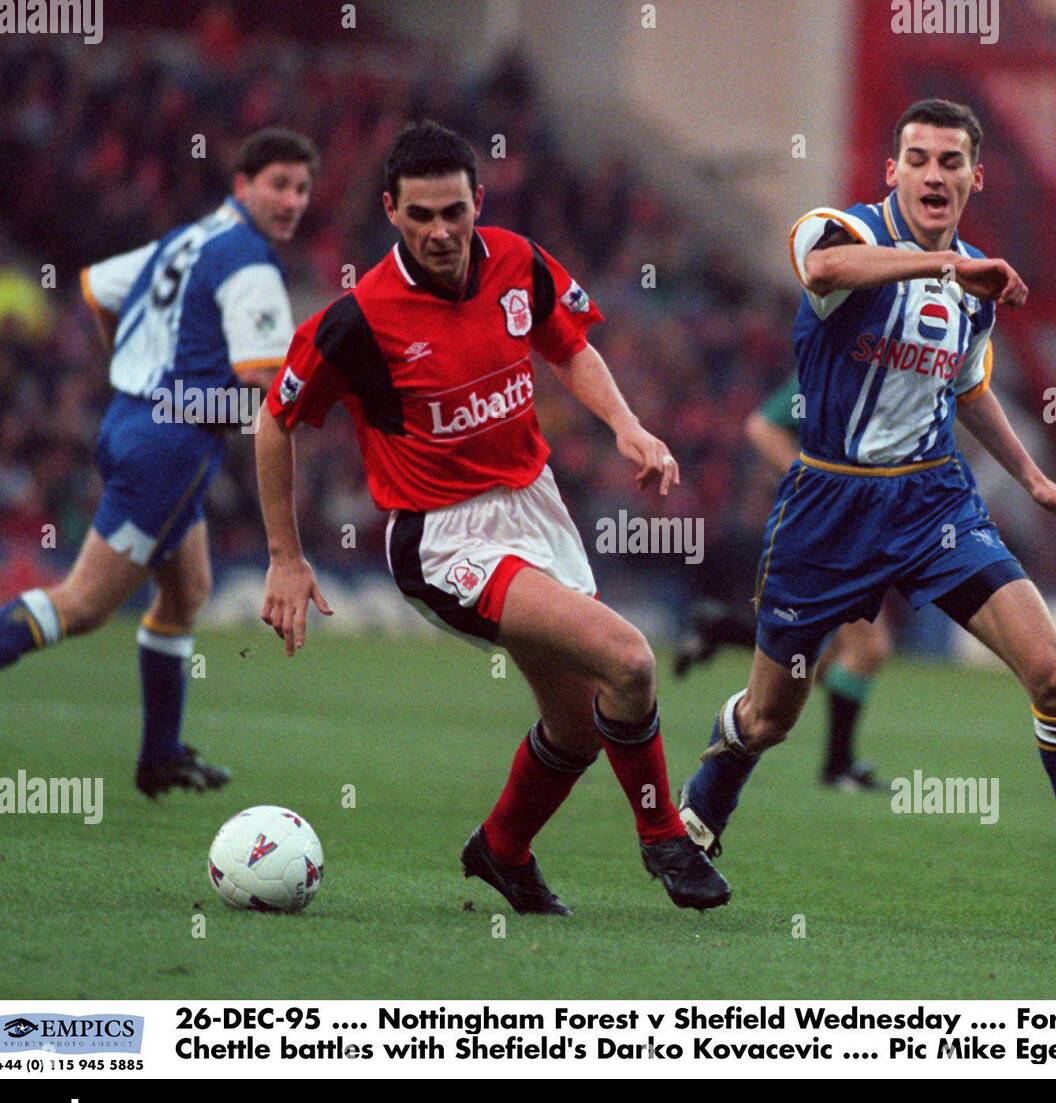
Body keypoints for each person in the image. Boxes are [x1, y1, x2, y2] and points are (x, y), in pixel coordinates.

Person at [678, 99, 1056, 930]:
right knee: (769, 716)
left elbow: (967, 383)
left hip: (932, 501)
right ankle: (697, 812)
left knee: (1054, 673)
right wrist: (942, 269)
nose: (934, 175)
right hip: (828, 506)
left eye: (951, 162)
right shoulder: (838, 230)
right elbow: (829, 275)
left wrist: (1032, 477)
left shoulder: (973, 278)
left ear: (975, 176)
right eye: (918, 158)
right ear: (891, 170)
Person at [255, 121, 729, 915]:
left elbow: (569, 345)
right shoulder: (359, 318)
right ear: (391, 212)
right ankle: (665, 839)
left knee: (578, 729)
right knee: (631, 659)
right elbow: (276, 420)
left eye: (454, 211)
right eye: (420, 216)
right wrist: (284, 554)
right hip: (444, 537)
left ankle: (500, 850)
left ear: (479, 200)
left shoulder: (518, 261)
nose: (440, 231)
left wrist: (625, 425)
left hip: (534, 508)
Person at [0, 128, 317, 798]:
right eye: (279, 184)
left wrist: (140, 368)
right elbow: (267, 379)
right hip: (167, 450)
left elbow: (96, 287)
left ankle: (160, 756)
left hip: (133, 419)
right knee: (83, 605)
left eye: (302, 188)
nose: (292, 200)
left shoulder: (188, 238)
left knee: (186, 591)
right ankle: (160, 750)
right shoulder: (249, 261)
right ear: (242, 185)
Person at [675, 371, 893, 790]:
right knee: (866, 647)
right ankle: (837, 766)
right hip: (831, 518)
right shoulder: (843, 364)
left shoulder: (893, 367)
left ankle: (722, 627)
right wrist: (814, 481)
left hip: (853, 518)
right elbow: (762, 425)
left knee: (830, 654)